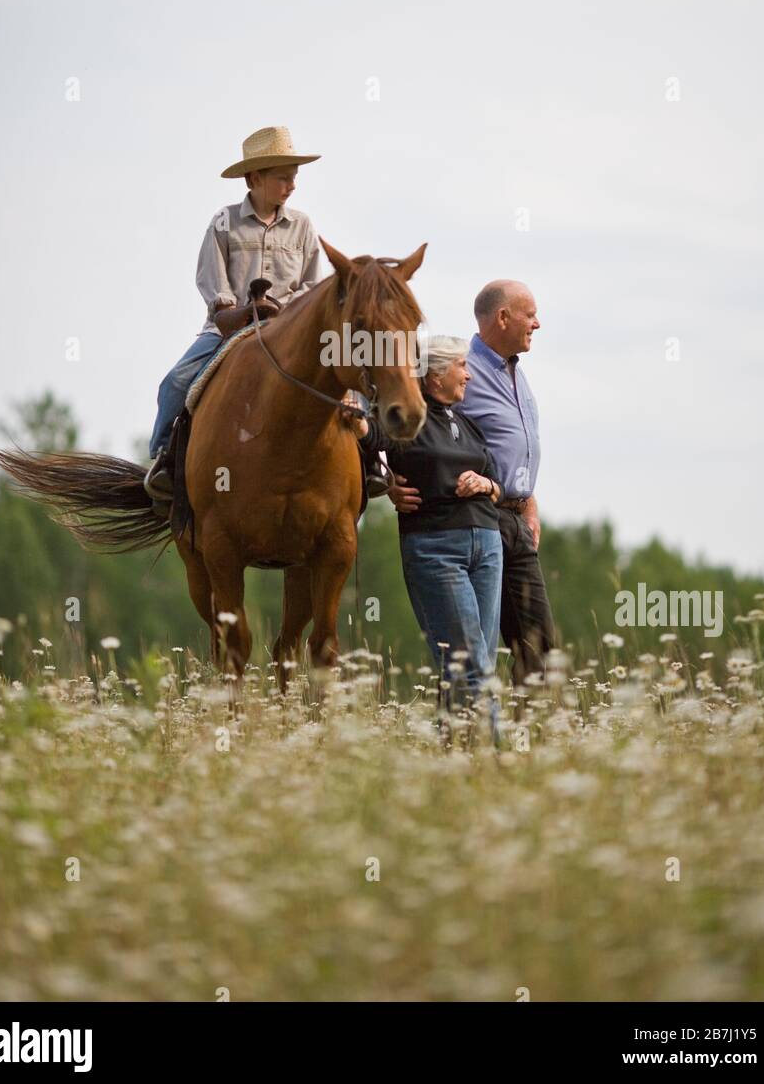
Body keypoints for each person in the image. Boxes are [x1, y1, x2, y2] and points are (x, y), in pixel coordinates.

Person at [390, 282, 556, 686]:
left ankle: (525, 742)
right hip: (475, 519)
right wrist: (386, 479)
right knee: (469, 655)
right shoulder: (460, 368)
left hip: (515, 521)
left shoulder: (517, 373)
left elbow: (510, 449)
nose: (538, 322)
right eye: (529, 314)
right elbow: (403, 414)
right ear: (503, 317)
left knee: (539, 649)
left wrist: (529, 505)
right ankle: (474, 737)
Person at [144, 125, 321, 499]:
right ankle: (164, 460)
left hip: (288, 331)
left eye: (294, 178)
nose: (292, 186)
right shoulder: (224, 222)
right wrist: (235, 309)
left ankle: (370, 460)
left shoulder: (303, 227)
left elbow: (310, 286)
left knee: (348, 376)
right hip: (228, 329)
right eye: (283, 178)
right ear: (255, 178)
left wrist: (282, 311)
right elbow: (213, 282)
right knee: (175, 383)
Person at [345, 336, 504, 730]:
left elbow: (498, 483)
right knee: (471, 663)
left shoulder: (467, 423)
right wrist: (359, 418)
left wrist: (485, 485)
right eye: (461, 367)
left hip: (487, 543)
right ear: (435, 376)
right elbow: (375, 439)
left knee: (472, 661)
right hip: (436, 546)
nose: (468, 374)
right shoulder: (407, 418)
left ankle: (454, 757)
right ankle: (499, 755)